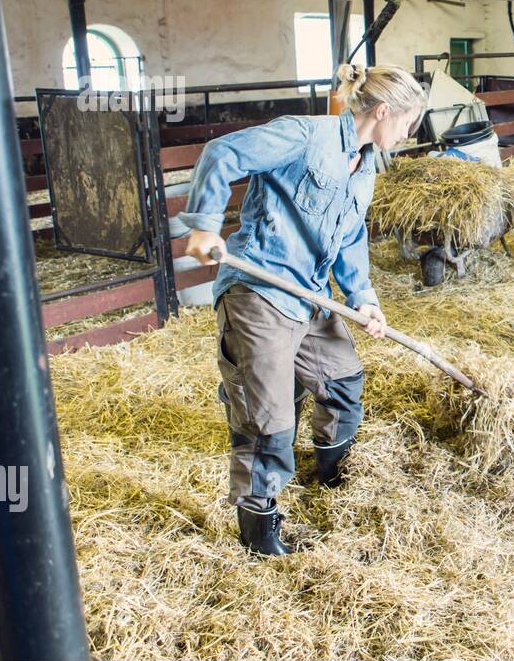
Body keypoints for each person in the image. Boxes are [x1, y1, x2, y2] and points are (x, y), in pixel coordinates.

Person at [180, 64, 426, 555]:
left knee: (343, 381)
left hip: (310, 295)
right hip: (259, 291)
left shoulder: (367, 167)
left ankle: (332, 474)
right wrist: (205, 225)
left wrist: (364, 299)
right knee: (266, 421)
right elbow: (222, 152)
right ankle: (258, 530)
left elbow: (351, 237)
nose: (408, 134)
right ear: (384, 112)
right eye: (408, 123)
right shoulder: (303, 135)